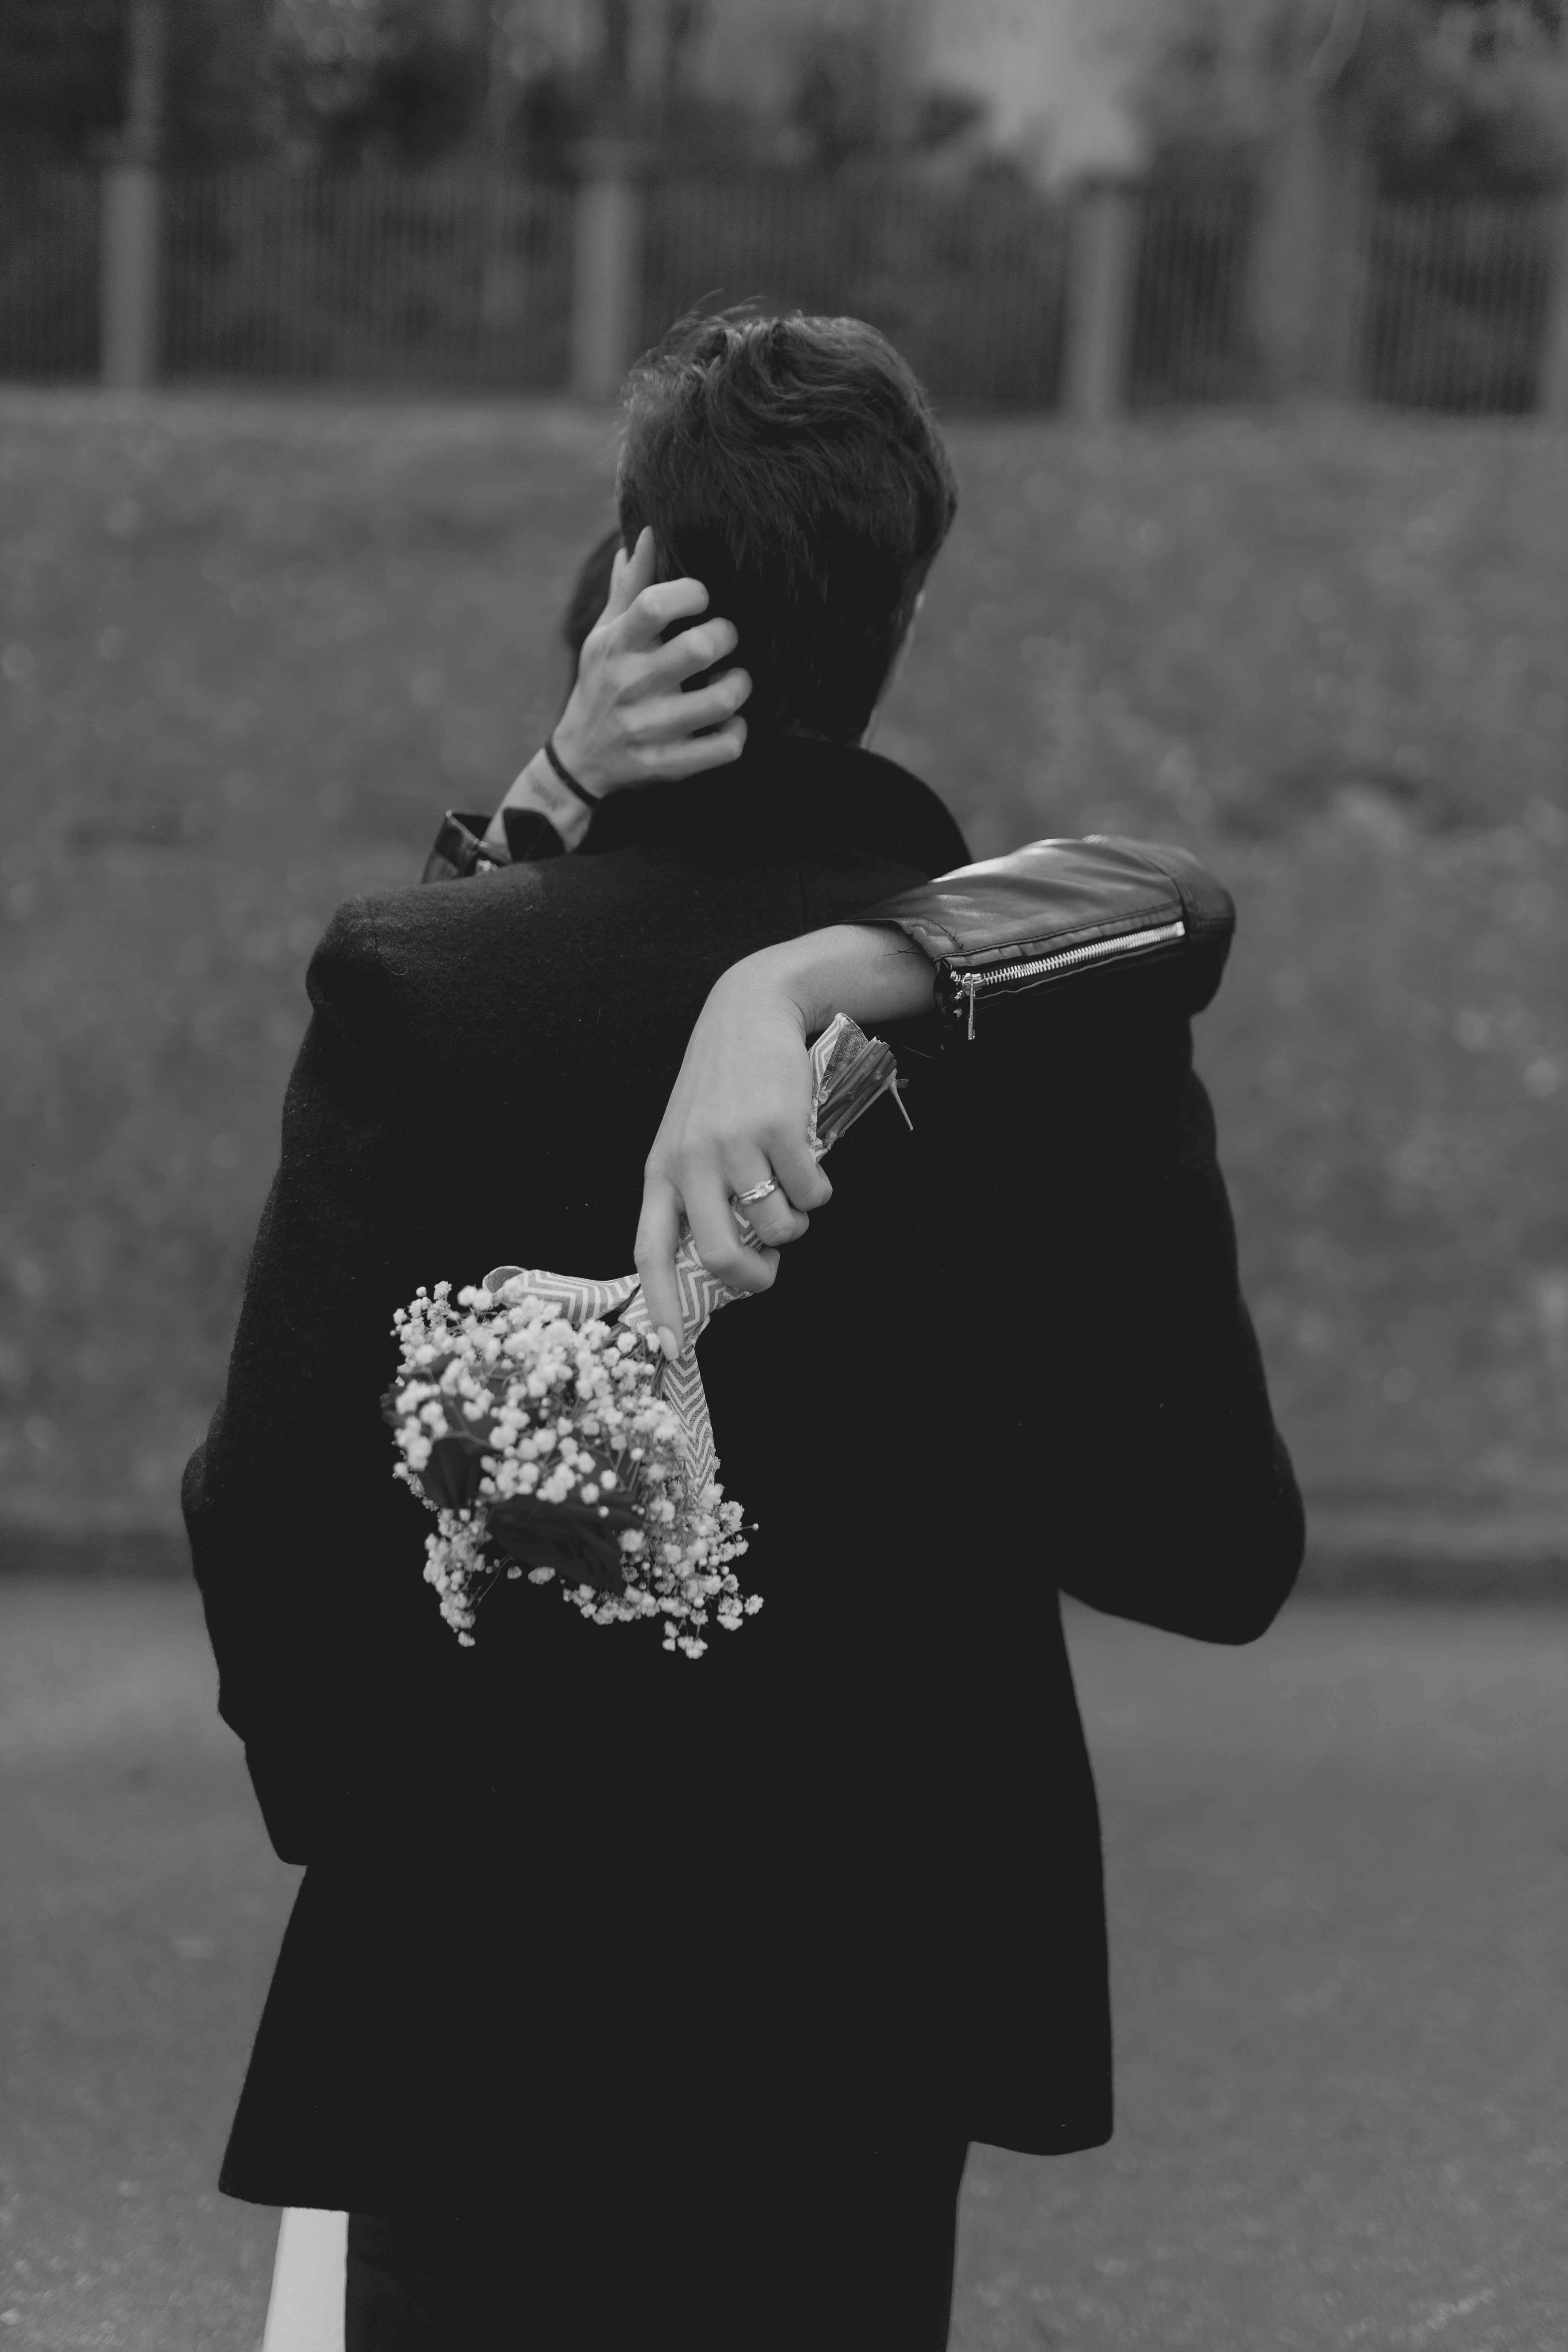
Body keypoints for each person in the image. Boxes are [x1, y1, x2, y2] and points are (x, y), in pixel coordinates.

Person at [185, 311, 1303, 2351]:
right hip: (867, 2015)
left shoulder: (422, 995)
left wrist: (370, 1830)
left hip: (475, 1986)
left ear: (633, 578)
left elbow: (270, 1506)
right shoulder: (1043, 1027)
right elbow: (1212, 1549)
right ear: (909, 604)